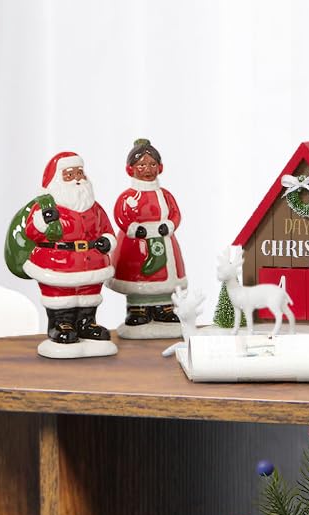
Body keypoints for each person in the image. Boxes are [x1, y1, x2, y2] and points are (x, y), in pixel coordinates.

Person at [21, 151, 116, 355]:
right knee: (61, 295)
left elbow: (107, 229)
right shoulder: (46, 207)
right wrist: (43, 220)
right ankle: (60, 323)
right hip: (57, 262)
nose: (77, 179)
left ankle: (86, 322)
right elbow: (31, 232)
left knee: (89, 294)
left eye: (80, 173)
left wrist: (107, 241)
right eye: (69, 174)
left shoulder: (95, 208)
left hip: (91, 262)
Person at [110, 137, 186, 336]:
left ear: (160, 167)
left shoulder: (165, 195)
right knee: (139, 275)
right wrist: (134, 229)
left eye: (152, 164)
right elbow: (120, 215)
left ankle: (164, 308)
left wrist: (169, 225)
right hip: (136, 244)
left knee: (165, 274)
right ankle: (138, 309)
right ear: (131, 169)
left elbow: (175, 213)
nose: (148, 169)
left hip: (164, 239)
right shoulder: (127, 197)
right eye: (142, 165)